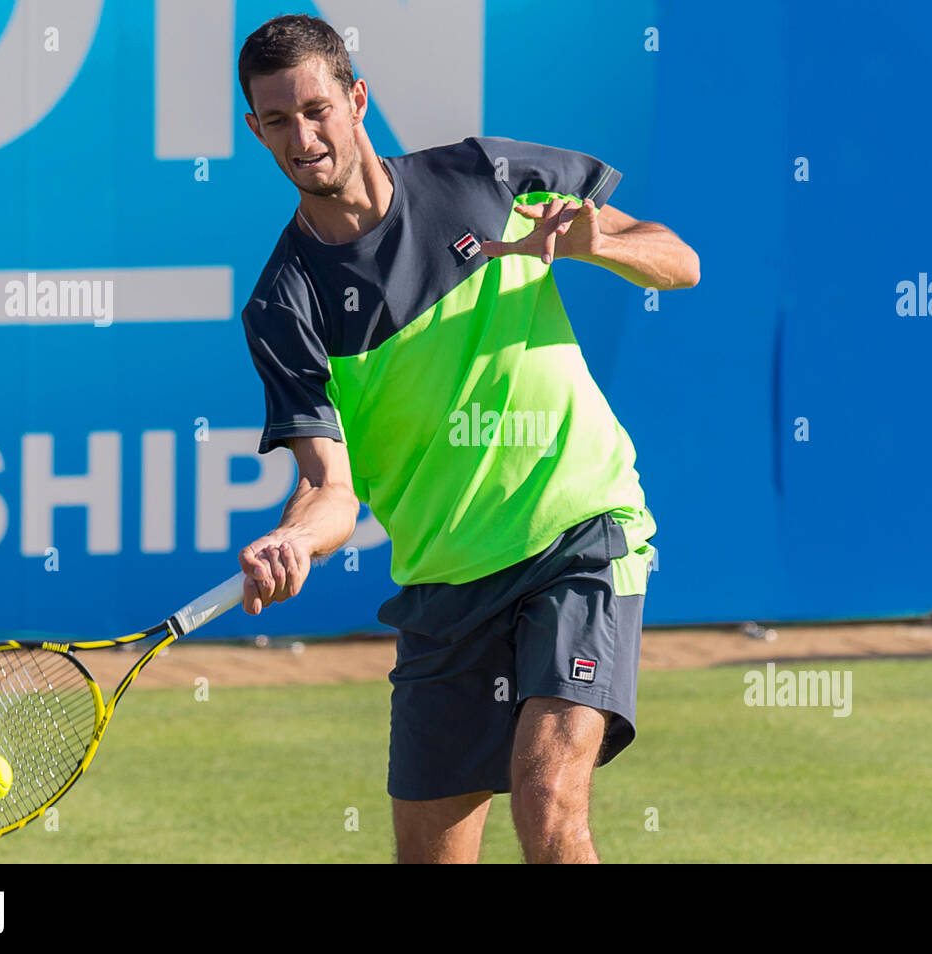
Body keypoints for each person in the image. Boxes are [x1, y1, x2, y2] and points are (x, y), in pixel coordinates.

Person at [235, 13, 700, 864]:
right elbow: (333, 489)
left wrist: (600, 244)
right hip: (446, 586)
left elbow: (677, 257)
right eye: (276, 120)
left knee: (548, 801)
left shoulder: (484, 175)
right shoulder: (282, 304)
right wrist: (292, 539)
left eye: (315, 110)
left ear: (356, 100)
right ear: (255, 129)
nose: (301, 137)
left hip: (577, 535)